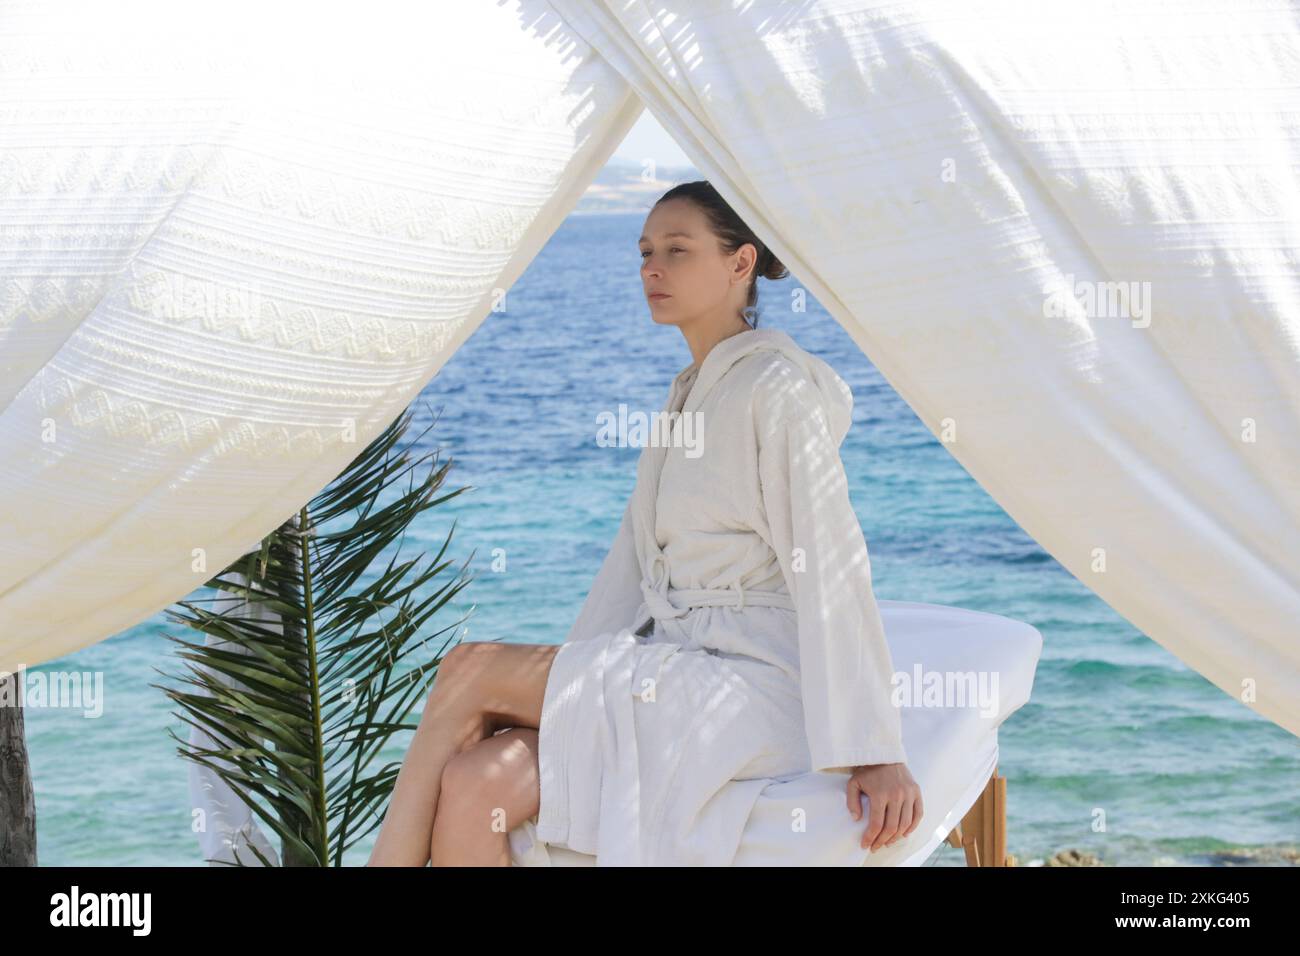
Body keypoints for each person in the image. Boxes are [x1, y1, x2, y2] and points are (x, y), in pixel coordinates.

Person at [367, 181, 923, 867]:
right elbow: (628, 576)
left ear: (740, 264)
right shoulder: (684, 400)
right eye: (645, 253)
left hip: (756, 685)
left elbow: (832, 560)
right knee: (476, 778)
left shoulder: (777, 391)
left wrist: (874, 749)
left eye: (677, 251)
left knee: (467, 669)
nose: (651, 270)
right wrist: (559, 694)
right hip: (669, 667)